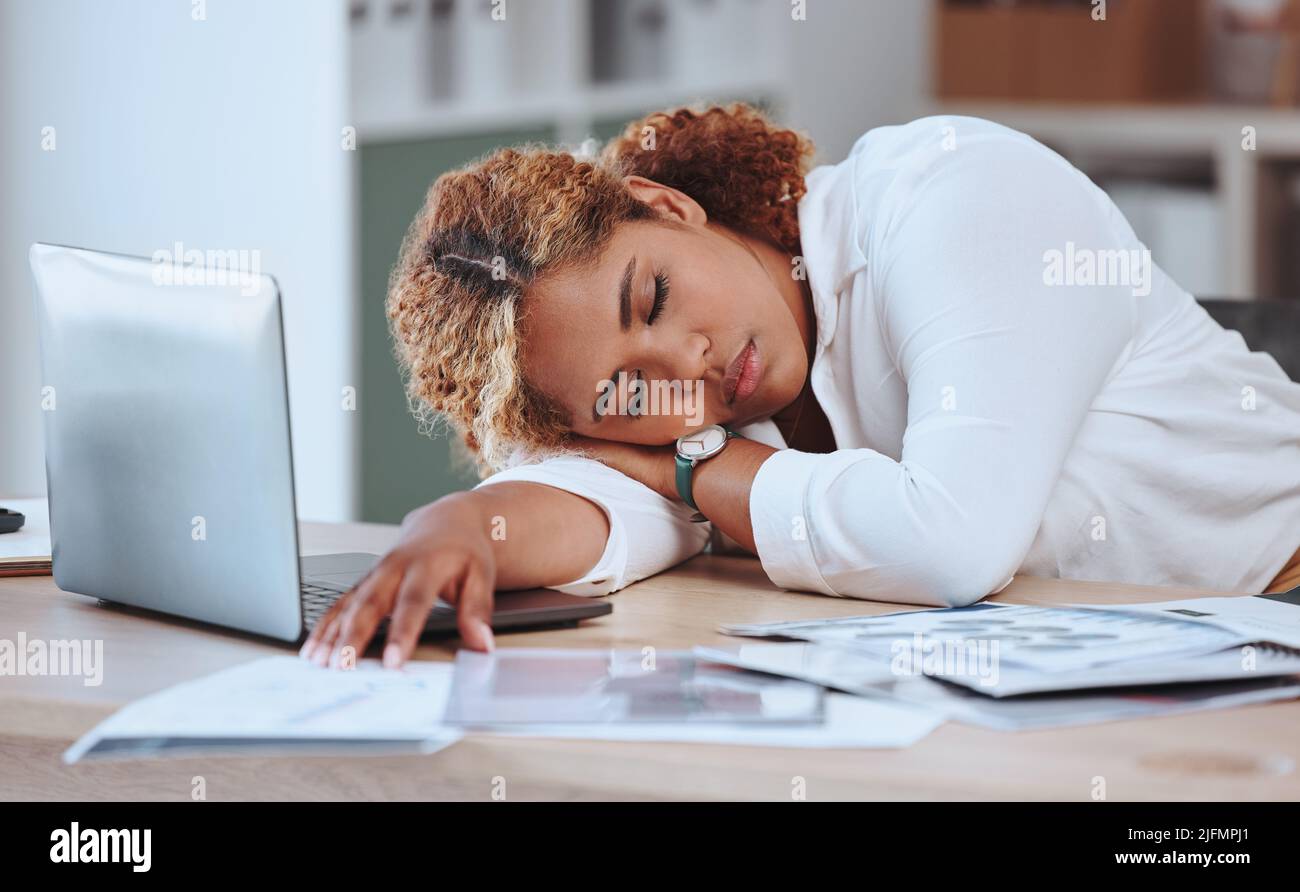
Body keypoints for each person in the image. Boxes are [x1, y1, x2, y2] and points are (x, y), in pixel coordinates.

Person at [300, 104, 1300, 669]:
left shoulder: (952, 196)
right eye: (624, 394)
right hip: (1122, 673)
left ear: (665, 205)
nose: (684, 372)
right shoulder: (688, 410)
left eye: (651, 298)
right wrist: (463, 529)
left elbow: (949, 540)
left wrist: (693, 466)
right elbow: (602, 505)